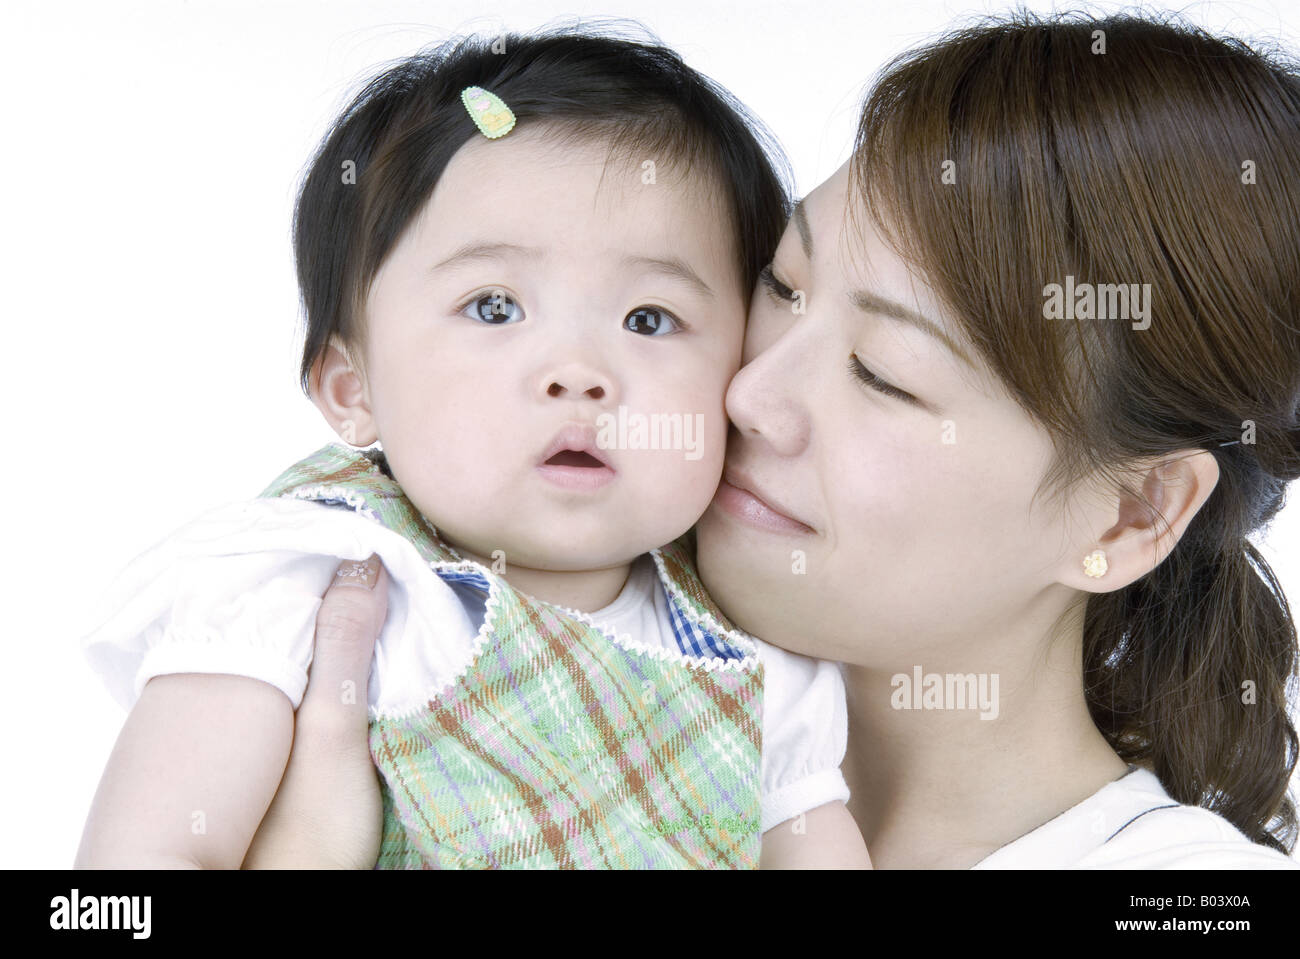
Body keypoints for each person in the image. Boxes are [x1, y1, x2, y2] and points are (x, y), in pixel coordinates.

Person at [248, 12, 1300, 869]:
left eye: (883, 373)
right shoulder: (429, 676)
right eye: (781, 286)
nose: (750, 391)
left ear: (1132, 511)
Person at [74, 29, 869, 870]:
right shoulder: (315, 585)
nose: (578, 373)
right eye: (494, 307)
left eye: (648, 319)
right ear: (353, 389)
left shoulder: (756, 669)